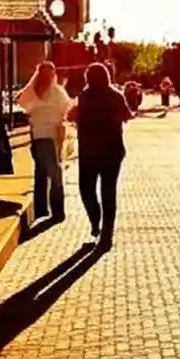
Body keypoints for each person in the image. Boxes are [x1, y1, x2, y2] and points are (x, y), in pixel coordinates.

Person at [67, 62, 133, 248]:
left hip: (89, 151)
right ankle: (107, 234)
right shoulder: (116, 96)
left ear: (87, 77)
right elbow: (127, 115)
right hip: (112, 151)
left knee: (86, 189)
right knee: (108, 191)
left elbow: (71, 116)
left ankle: (95, 220)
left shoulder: (84, 97)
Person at [16, 61, 72, 221]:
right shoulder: (57, 91)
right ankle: (57, 211)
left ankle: (41, 208)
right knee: (55, 174)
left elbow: (22, 103)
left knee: (41, 172)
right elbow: (66, 109)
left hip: (38, 136)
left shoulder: (32, 92)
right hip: (52, 136)